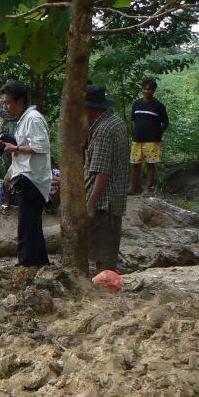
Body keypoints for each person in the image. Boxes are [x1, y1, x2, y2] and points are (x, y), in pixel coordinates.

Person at [0, 82, 52, 268]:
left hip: (32, 178)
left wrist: (16, 148)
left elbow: (41, 146)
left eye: (8, 103)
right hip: (27, 175)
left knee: (27, 224)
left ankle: (27, 263)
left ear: (20, 101)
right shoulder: (24, 118)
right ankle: (39, 262)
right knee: (31, 223)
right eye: (3, 103)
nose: (5, 107)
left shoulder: (33, 118)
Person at [84, 85, 130, 274]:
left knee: (102, 251)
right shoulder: (116, 122)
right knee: (109, 248)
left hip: (105, 201)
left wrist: (91, 203)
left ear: (90, 107)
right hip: (115, 198)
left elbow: (102, 172)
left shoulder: (103, 130)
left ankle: (105, 287)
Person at [127, 78, 169, 196]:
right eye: (144, 89)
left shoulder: (158, 106)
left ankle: (147, 190)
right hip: (137, 140)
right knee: (135, 165)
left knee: (150, 165)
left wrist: (158, 133)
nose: (146, 91)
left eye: (149, 89)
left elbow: (166, 123)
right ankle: (132, 189)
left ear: (153, 91)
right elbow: (134, 121)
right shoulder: (136, 104)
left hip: (151, 141)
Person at [0, 74, 20, 172]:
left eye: (13, 83)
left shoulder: (20, 98)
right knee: (5, 156)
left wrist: (12, 114)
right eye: (8, 83)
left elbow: (22, 112)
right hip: (4, 128)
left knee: (17, 154)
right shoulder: (1, 96)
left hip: (17, 129)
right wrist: (12, 114)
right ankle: (8, 179)